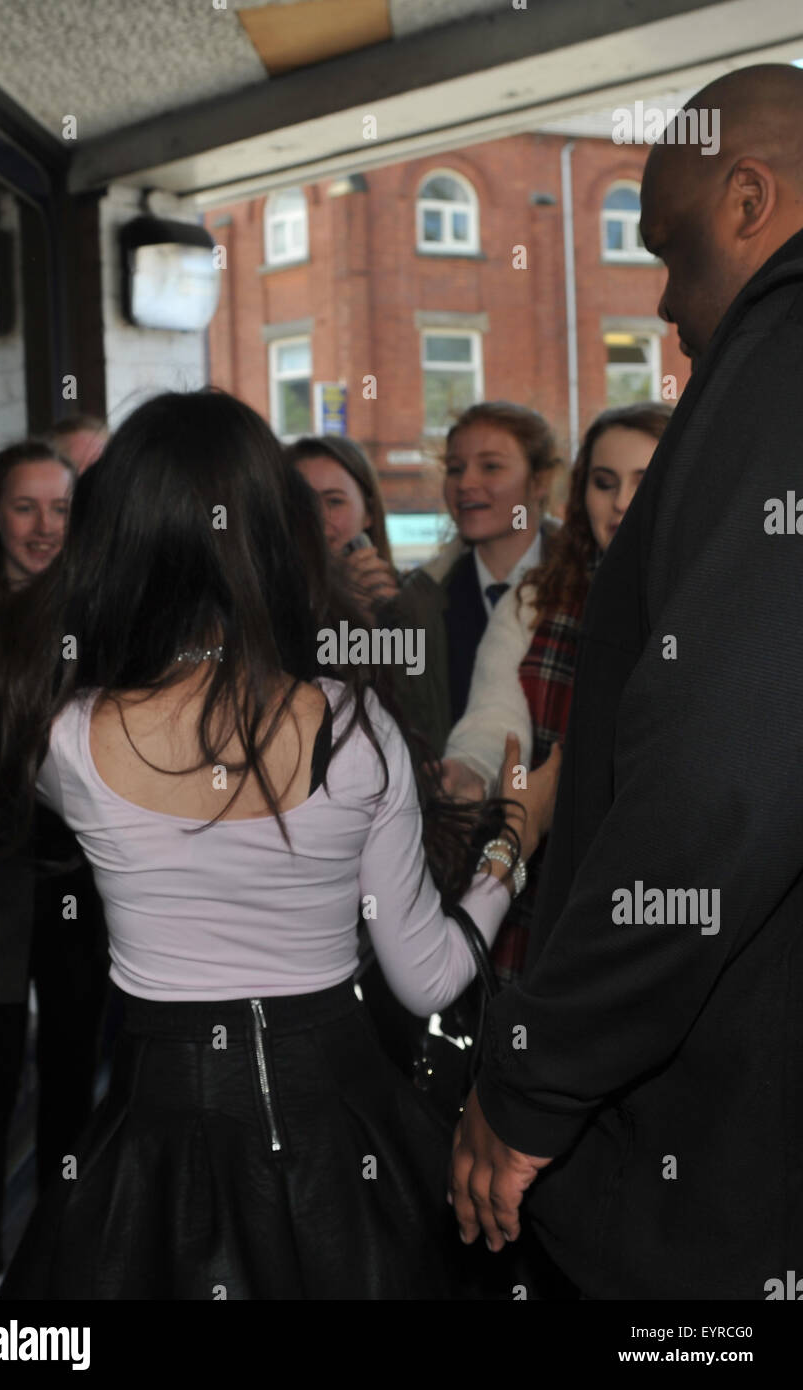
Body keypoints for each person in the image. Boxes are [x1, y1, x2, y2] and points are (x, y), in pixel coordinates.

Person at [0, 390, 559, 1300]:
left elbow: (10, 689)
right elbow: (427, 977)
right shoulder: (353, 727)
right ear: (275, 531)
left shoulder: (64, 742)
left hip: (160, 1141)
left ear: (113, 536)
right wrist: (515, 833)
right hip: (344, 1128)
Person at [450, 62, 803, 1301]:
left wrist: (537, 1072)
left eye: (669, 247)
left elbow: (722, 783)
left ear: (749, 198)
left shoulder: (785, 347)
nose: (666, 302)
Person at [0, 441, 108, 1291]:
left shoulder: (104, 603)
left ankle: (58, 1269)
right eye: (24, 508)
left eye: (61, 508)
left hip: (84, 883)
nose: (44, 528)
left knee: (76, 1087)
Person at [442, 403, 671, 808]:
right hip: (565, 855)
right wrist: (469, 767)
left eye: (645, 481)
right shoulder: (532, 601)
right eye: (604, 483)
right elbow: (496, 717)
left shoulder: (726, 606)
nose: (621, 502)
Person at [381, 402, 559, 758]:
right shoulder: (415, 604)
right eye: (455, 469)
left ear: (540, 480)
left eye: (491, 466)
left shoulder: (591, 585)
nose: (466, 483)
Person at [286, 435, 399, 624]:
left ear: (369, 512)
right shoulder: (259, 602)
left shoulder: (410, 599)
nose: (319, 516)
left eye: (334, 501)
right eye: (303, 501)